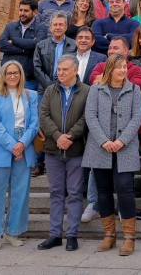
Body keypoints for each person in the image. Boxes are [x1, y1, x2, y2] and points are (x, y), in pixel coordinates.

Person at [84, 54, 141, 256]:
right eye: (118, 67)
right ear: (109, 69)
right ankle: (109, 234)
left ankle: (129, 237)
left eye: (124, 67)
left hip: (124, 147)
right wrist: (104, 140)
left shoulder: (134, 89)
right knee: (103, 190)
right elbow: (90, 115)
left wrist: (121, 141)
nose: (122, 71)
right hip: (101, 147)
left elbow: (138, 117)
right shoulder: (96, 89)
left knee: (125, 189)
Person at [0, 61, 39, 250]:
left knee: (20, 192)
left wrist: (22, 144)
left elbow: (34, 124)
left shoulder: (31, 95)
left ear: (21, 75)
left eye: (16, 73)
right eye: (9, 73)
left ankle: (12, 232)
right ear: (3, 75)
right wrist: (14, 146)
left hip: (24, 145)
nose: (12, 76)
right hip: (1, 147)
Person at [37, 54, 90, 252]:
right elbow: (43, 116)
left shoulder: (86, 91)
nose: (60, 73)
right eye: (59, 70)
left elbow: (86, 118)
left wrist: (71, 136)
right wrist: (58, 136)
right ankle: (55, 234)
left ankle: (72, 235)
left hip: (75, 150)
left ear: (75, 71)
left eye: (64, 70)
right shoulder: (50, 91)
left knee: (75, 193)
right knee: (56, 193)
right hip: (53, 150)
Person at [0, 0, 39, 88]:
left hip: (29, 81)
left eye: (26, 11)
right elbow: (1, 45)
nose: (22, 13)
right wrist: (25, 50)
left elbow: (37, 45)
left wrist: (14, 40)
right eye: (20, 10)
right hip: (7, 79)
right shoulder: (10, 27)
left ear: (35, 12)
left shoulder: (40, 28)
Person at [33, 12, 77, 92]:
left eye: (61, 24)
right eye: (55, 24)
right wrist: (50, 86)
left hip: (67, 89)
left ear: (66, 27)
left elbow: (76, 66)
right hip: (44, 90)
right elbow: (37, 68)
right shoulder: (40, 45)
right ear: (50, 27)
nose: (58, 27)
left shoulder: (74, 45)